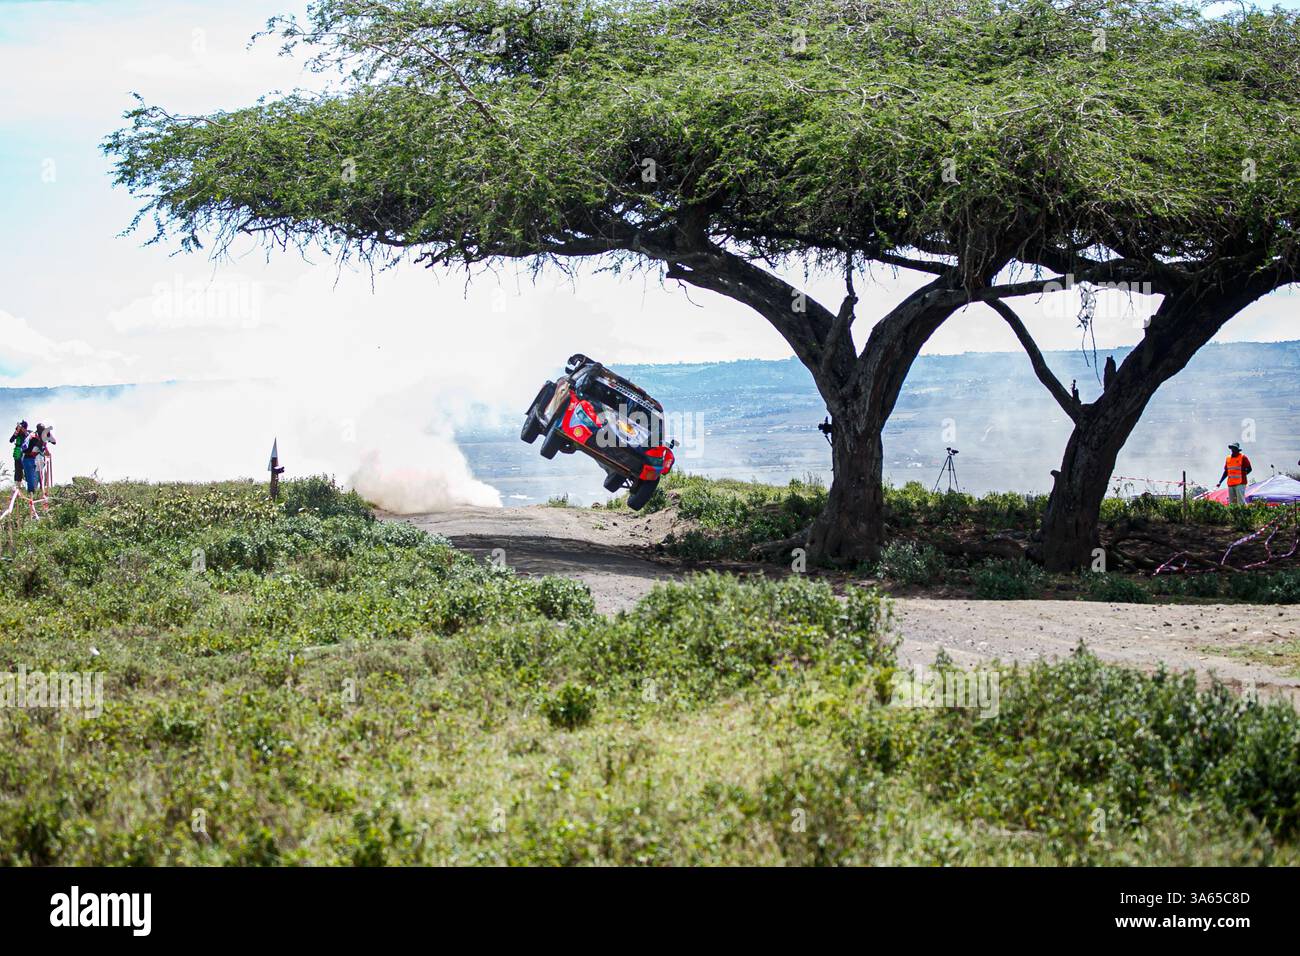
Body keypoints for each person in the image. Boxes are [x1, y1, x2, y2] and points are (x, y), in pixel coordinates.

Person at [20, 426, 44, 494]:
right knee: (30, 479)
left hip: (33, 459)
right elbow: (28, 437)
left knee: (33, 478)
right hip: (27, 459)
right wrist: (26, 443)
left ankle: (33, 493)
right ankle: (31, 495)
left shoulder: (40, 438)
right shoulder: (32, 434)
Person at [8, 421, 27, 486]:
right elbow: (11, 440)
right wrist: (17, 430)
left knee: (25, 468)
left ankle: (27, 486)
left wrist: (22, 429)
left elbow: (27, 435)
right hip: (17, 452)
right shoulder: (17, 433)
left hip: (25, 452)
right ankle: (17, 485)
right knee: (17, 469)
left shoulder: (27, 433)